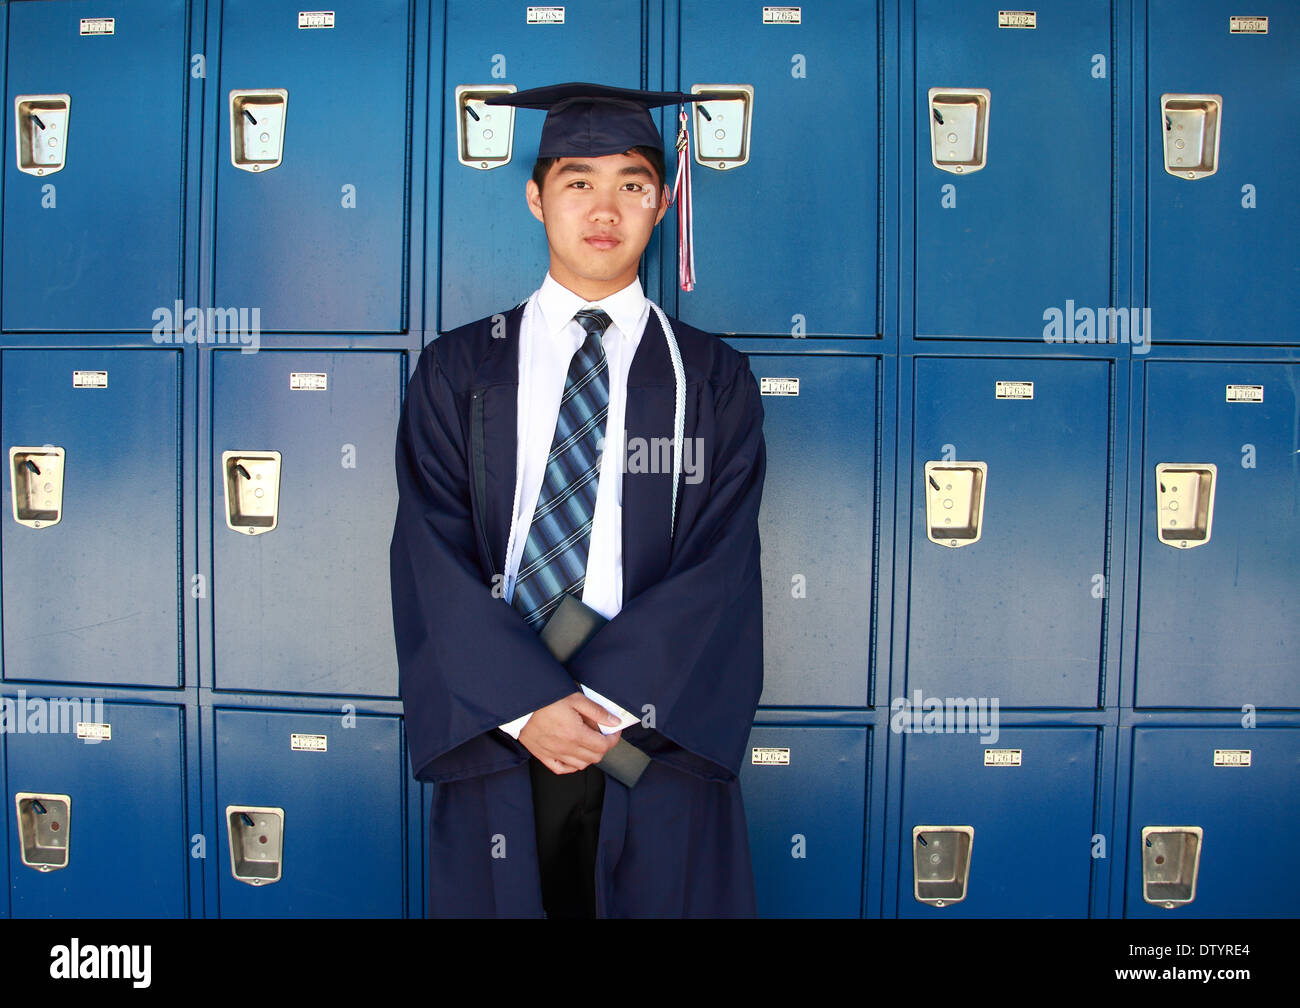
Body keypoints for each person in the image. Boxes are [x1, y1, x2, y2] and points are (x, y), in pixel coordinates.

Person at [390, 82, 766, 918]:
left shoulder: (712, 377)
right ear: (536, 198)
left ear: (662, 203)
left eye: (632, 185)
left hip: (649, 731)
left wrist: (604, 707)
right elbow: (429, 547)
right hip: (499, 724)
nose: (605, 209)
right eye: (577, 182)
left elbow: (723, 563)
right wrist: (526, 705)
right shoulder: (461, 369)